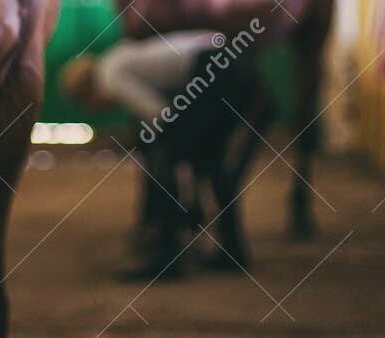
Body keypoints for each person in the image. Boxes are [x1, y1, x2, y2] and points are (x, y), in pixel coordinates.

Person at [61, 32, 272, 280]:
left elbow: (160, 116)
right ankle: (232, 250)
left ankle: (167, 256)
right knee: (210, 161)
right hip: (232, 64)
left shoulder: (109, 74)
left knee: (162, 152)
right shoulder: (121, 56)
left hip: (212, 68)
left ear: (86, 92)